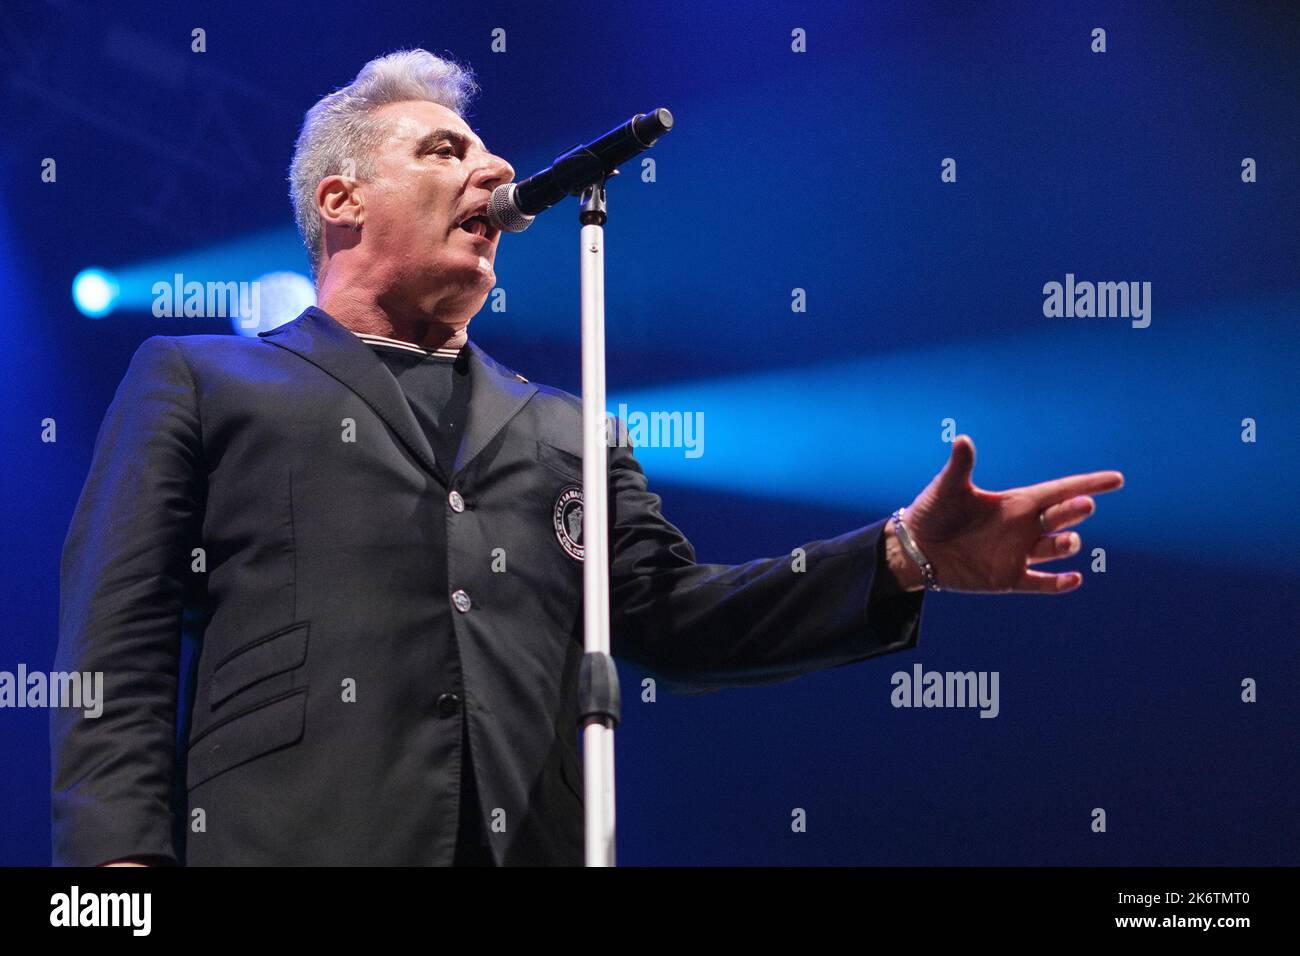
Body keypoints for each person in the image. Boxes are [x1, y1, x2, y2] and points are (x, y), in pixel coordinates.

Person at [50, 49, 1123, 867]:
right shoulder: (203, 378)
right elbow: (119, 642)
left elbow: (676, 615)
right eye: (443, 150)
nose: (494, 169)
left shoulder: (567, 428)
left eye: (485, 151)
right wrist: (117, 878)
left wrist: (900, 556)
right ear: (340, 201)